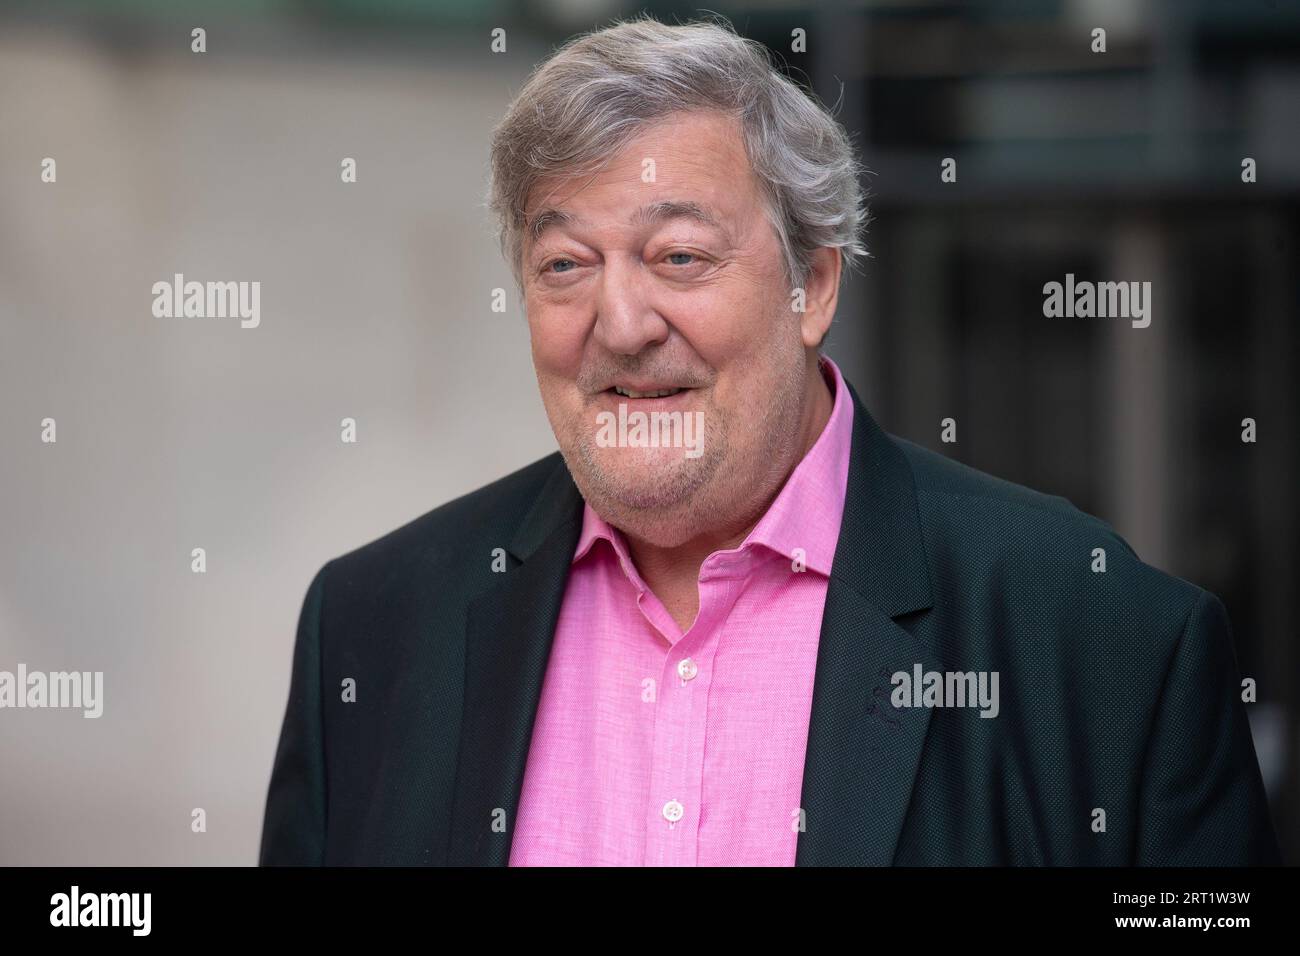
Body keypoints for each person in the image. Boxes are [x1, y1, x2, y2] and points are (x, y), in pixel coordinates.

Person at [259, 15, 1280, 866]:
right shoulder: (373, 631)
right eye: (565, 264)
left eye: (680, 254)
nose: (620, 322)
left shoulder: (1104, 642)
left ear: (814, 285)